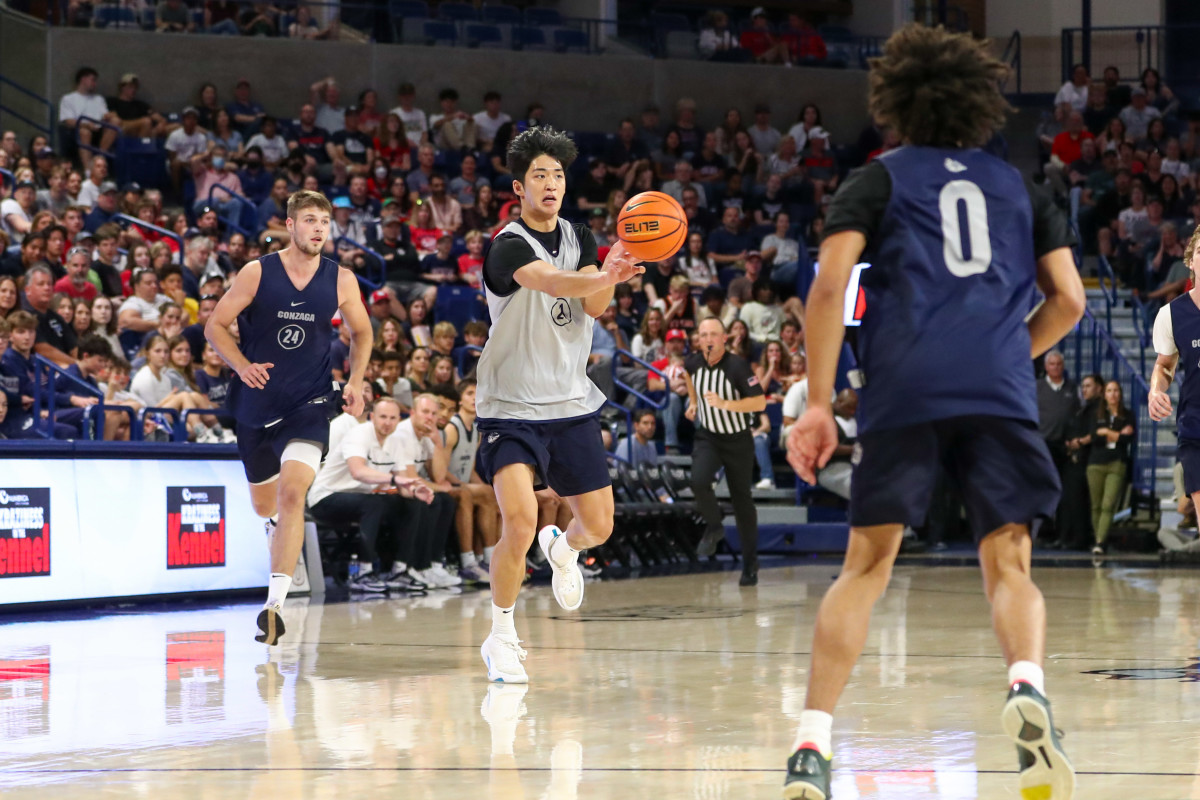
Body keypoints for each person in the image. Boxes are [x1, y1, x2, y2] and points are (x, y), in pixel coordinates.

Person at [782, 24, 1083, 800]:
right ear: (978, 105)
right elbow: (1069, 300)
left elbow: (828, 288)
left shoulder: (876, 180)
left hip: (905, 385)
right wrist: (1007, 355)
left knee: (865, 568)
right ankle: (1026, 686)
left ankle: (811, 746)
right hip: (997, 388)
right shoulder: (1021, 186)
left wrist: (819, 403)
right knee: (1009, 561)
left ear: (897, 104)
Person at [473, 127, 643, 684]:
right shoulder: (507, 244)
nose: (551, 183)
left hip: (569, 402)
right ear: (519, 188)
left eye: (559, 175)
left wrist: (611, 273)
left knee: (598, 527)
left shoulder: (581, 236)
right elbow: (549, 282)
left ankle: (564, 551)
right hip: (510, 406)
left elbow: (593, 304)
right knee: (520, 521)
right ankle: (501, 637)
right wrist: (603, 273)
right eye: (539, 175)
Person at [204, 190, 373, 645]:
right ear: (291, 224)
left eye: (325, 222)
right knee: (266, 506)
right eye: (310, 220)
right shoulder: (257, 272)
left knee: (293, 494)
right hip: (257, 406)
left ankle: (275, 605)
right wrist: (242, 366)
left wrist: (355, 380)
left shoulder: (340, 279)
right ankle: (274, 529)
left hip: (310, 404)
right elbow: (215, 325)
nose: (319, 229)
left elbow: (362, 332)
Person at [684, 317, 766, 581]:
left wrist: (725, 404)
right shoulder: (693, 362)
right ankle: (715, 526)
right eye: (703, 335)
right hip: (708, 436)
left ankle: (750, 565)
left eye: (713, 334)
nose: (708, 339)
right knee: (698, 481)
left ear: (724, 339)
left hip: (738, 440)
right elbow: (688, 375)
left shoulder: (738, 366)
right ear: (698, 339)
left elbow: (760, 402)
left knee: (742, 502)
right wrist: (694, 402)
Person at [442, 378, 498, 584]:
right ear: (460, 400)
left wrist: (483, 487)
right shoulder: (452, 428)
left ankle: (489, 558)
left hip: (463, 484)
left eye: (478, 393)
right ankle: (468, 562)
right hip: (446, 485)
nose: (474, 398)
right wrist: (466, 485)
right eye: (469, 394)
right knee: (470, 494)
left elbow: (471, 469)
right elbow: (440, 471)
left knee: (494, 495)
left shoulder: (476, 429)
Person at [1085, 380, 1134, 555]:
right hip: (1096, 463)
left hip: (1116, 462)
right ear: (1104, 394)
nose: (1113, 394)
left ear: (1120, 394)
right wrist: (1118, 434)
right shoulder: (1096, 414)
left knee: (1108, 504)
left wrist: (1106, 432)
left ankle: (1100, 541)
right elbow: (1094, 437)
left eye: (1116, 390)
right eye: (1109, 390)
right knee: (1096, 505)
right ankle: (1098, 538)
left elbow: (1128, 439)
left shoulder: (1128, 415)